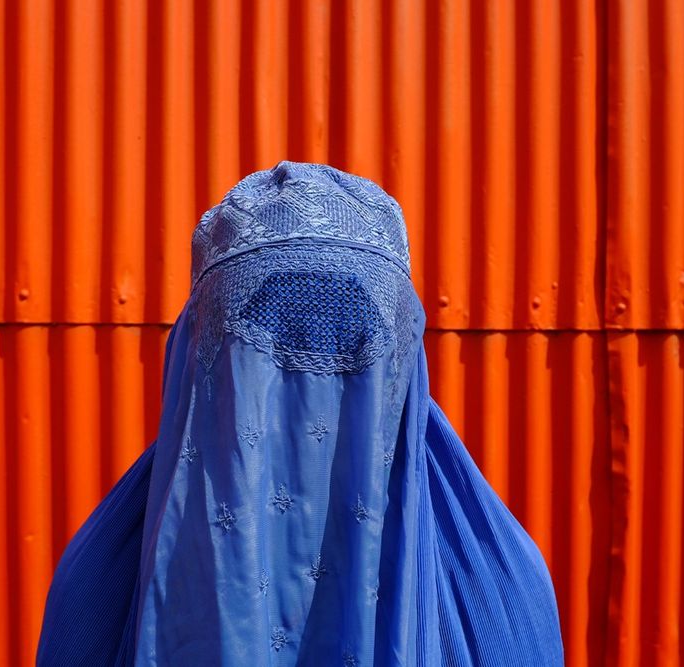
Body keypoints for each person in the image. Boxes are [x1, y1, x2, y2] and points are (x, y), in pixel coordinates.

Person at [36, 160, 565, 665]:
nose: (311, 392)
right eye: (261, 344)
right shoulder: (98, 598)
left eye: (353, 340)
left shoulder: (497, 601)